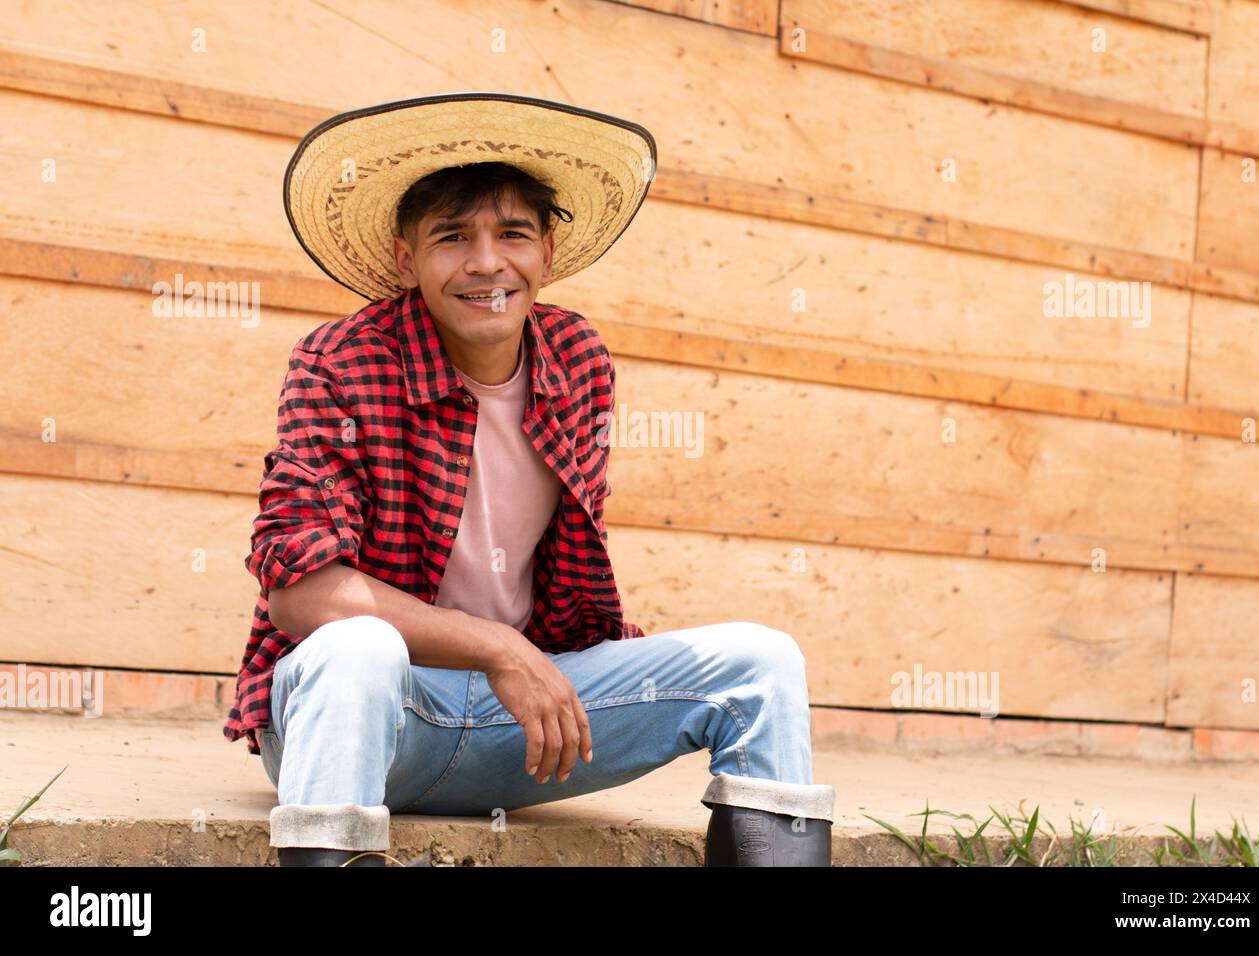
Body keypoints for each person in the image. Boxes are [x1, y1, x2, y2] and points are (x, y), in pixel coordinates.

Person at [222, 93, 835, 866]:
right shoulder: (339, 360)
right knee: (360, 650)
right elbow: (299, 591)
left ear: (546, 252)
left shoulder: (576, 357)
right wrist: (497, 649)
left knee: (763, 662)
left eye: (511, 233)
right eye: (452, 237)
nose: (486, 262)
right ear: (407, 260)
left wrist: (526, 664)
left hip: (520, 727)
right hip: (370, 720)